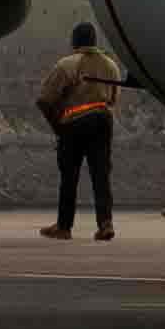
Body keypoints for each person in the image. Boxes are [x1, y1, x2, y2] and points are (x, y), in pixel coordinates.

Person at [33, 20, 122, 241]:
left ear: (74, 41)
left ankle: (64, 227)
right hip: (102, 121)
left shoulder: (67, 64)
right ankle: (105, 224)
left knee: (69, 176)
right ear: (94, 41)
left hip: (73, 124)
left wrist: (57, 125)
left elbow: (44, 99)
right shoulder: (111, 65)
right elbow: (113, 99)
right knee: (101, 175)